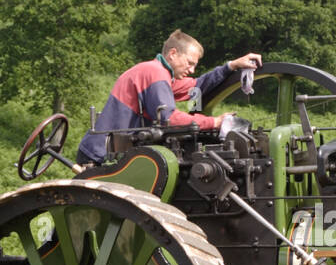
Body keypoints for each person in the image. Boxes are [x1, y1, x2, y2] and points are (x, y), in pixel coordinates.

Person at [76, 30, 262, 165]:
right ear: (173, 53)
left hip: (107, 153)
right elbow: (169, 119)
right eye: (190, 63)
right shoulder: (154, 73)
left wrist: (231, 66)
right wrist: (213, 122)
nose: (191, 70)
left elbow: (196, 86)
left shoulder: (161, 74)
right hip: (100, 157)